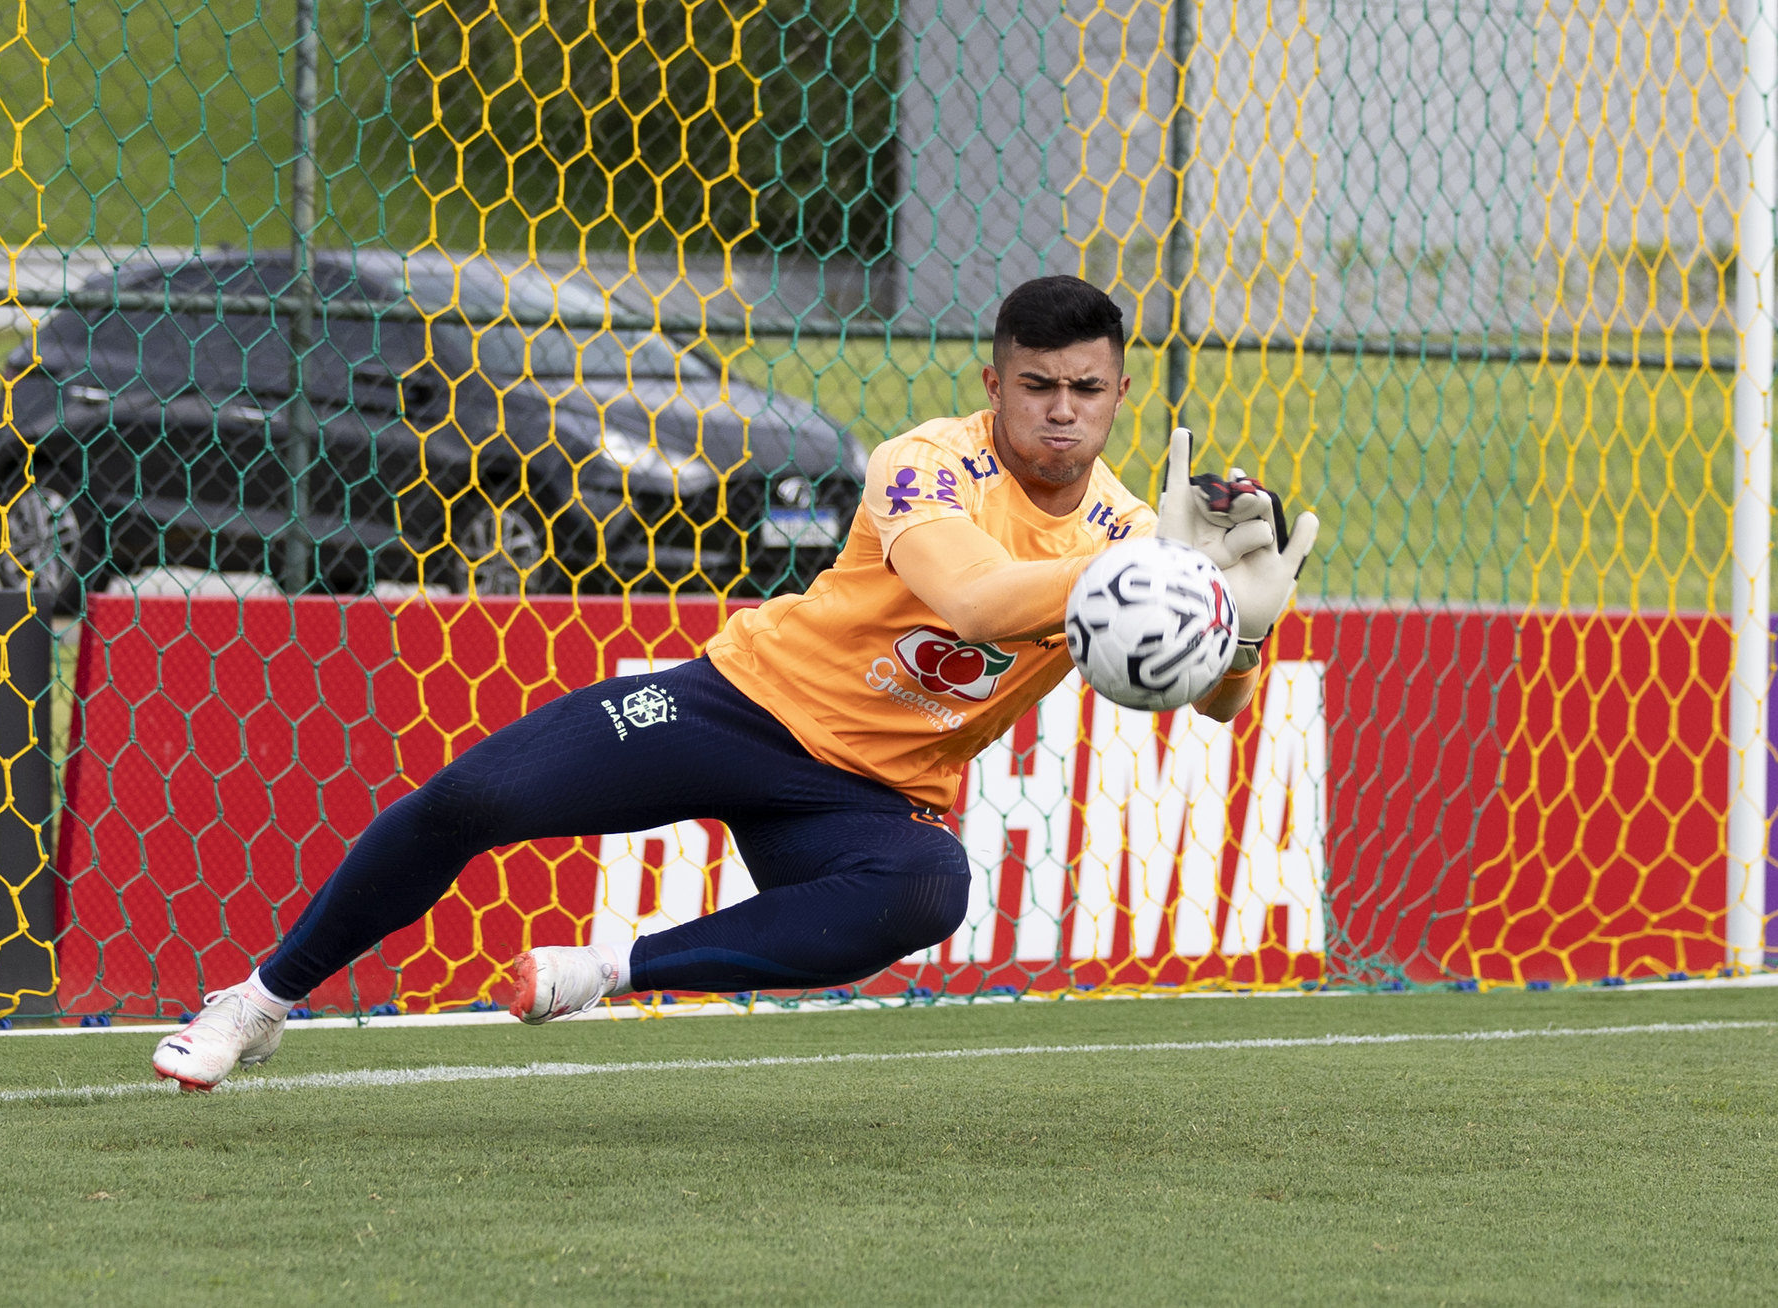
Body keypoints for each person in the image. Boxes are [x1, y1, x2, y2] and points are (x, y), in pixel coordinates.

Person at [152, 275, 1320, 1091]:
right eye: (1037, 385)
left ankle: (609, 970)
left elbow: (1206, 704)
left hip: (867, 794)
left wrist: (1238, 631)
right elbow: (969, 599)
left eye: (1085, 389)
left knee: (927, 889)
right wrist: (1144, 576)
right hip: (737, 706)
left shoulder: (1132, 536)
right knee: (471, 801)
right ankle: (258, 1001)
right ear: (994, 382)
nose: (1061, 411)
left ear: (1119, 393)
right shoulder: (928, 463)